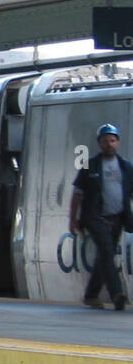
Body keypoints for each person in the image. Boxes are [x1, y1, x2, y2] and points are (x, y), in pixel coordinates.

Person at [68, 122, 133, 310]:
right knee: (106, 252)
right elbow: (77, 194)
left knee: (105, 256)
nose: (109, 144)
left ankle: (91, 295)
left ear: (118, 143)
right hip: (95, 218)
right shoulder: (90, 166)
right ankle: (117, 294)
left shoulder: (126, 167)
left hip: (117, 218)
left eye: (112, 140)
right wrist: (73, 219)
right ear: (100, 144)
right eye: (105, 141)